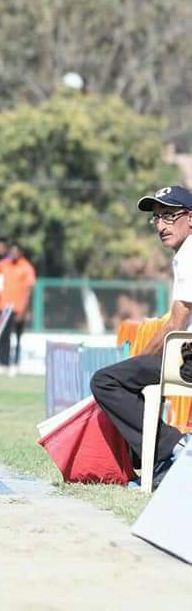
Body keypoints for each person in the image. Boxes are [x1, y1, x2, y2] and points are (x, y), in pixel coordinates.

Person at [91, 186, 192, 484]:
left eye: (169, 216)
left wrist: (138, 359)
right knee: (128, 377)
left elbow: (175, 323)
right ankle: (156, 462)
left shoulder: (189, 254)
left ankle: (175, 447)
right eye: (156, 218)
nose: (161, 225)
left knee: (106, 380)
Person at [0, 243, 36, 375]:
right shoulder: (4, 264)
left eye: (16, 252)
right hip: (4, 306)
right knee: (4, 335)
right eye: (11, 252)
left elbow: (29, 289)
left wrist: (25, 310)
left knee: (18, 337)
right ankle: (4, 364)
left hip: (19, 308)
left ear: (21, 253)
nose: (13, 254)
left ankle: (16, 363)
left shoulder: (26, 267)